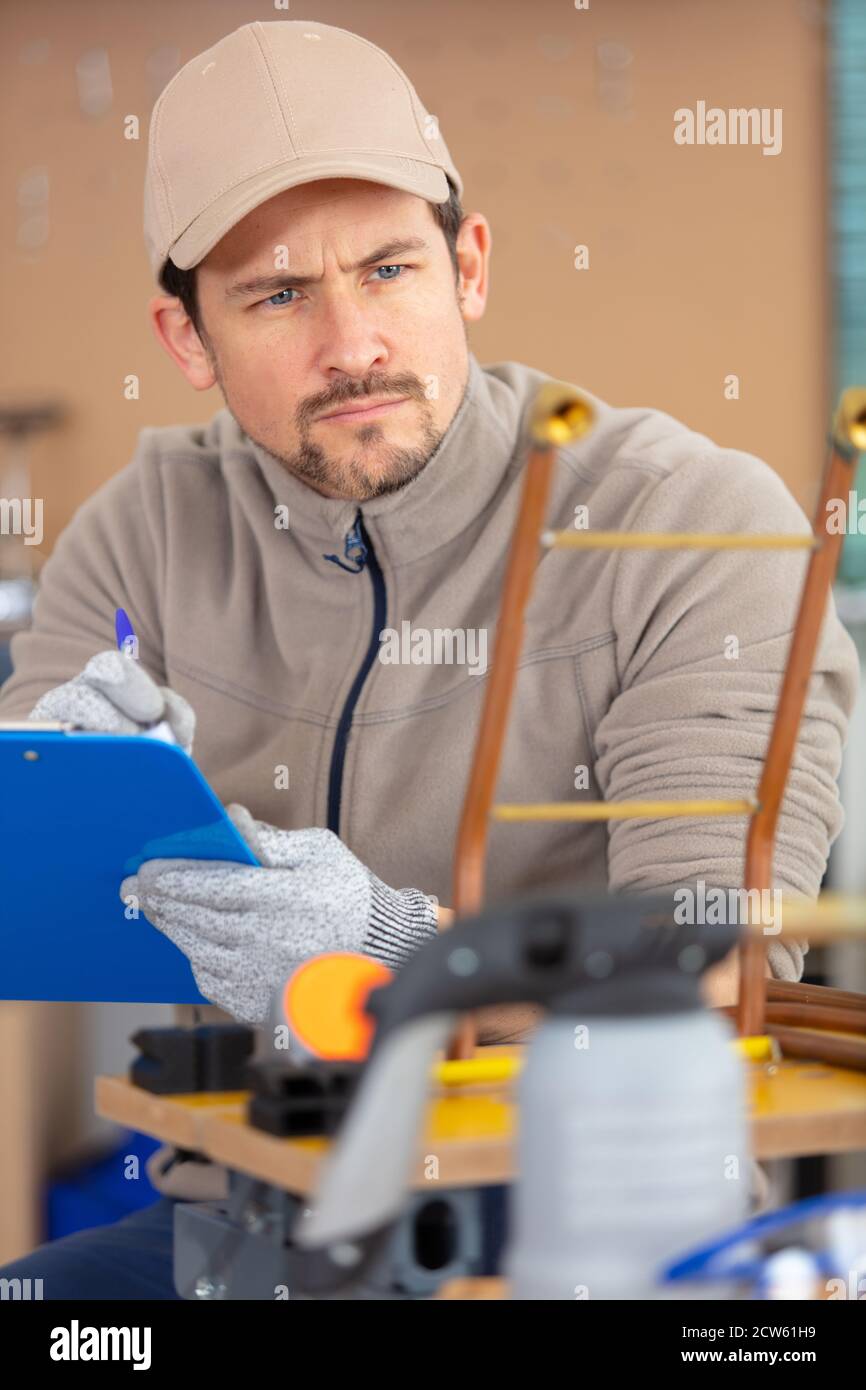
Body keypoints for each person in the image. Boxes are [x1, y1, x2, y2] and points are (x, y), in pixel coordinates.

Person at [0, 19, 858, 1299]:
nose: (352, 345)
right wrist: (82, 812)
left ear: (468, 265)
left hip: (587, 1228)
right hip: (247, 1223)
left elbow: (712, 976)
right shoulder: (143, 530)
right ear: (186, 338)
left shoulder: (692, 523)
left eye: (389, 268)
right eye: (277, 294)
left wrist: (393, 949)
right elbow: (37, 911)